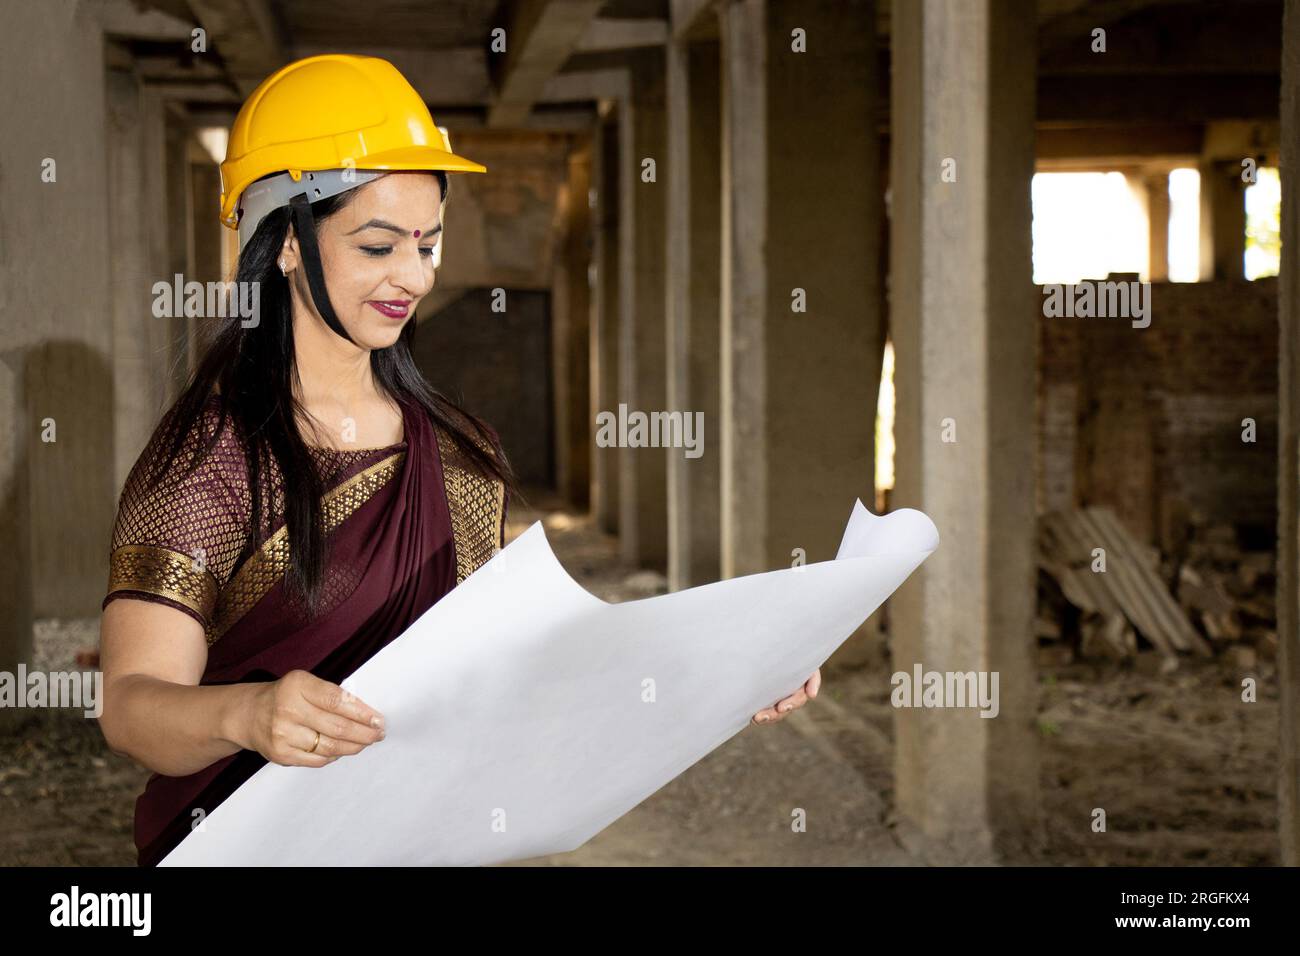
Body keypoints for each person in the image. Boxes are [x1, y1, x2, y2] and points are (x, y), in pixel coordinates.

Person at [96, 52, 815, 868]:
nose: (413, 277)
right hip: (246, 842)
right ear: (286, 243)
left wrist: (732, 667)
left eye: (428, 245)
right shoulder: (213, 457)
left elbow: (528, 661)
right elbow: (131, 709)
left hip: (425, 840)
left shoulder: (461, 452)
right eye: (377, 246)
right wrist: (250, 716)